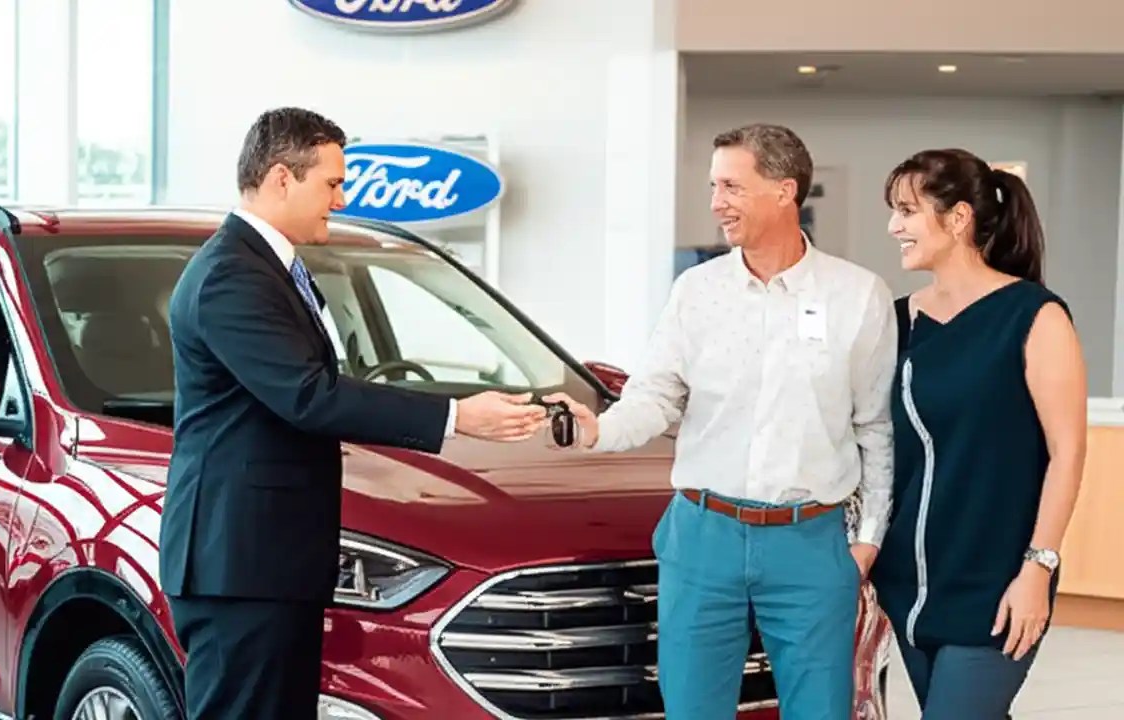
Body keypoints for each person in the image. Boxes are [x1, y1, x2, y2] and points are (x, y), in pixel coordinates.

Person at [160, 107, 548, 720]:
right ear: (283, 178)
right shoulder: (231, 276)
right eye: (332, 184)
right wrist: (455, 418)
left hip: (269, 563)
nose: (340, 200)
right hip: (239, 564)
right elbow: (308, 396)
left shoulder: (268, 268)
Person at [545, 123, 897, 719]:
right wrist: (596, 430)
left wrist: (867, 543)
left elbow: (875, 429)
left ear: (785, 191)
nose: (716, 203)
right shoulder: (696, 292)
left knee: (822, 711)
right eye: (714, 186)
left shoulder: (858, 295)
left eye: (732, 186)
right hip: (702, 537)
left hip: (811, 542)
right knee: (692, 711)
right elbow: (655, 397)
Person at [868, 148, 1087, 719]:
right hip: (907, 588)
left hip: (995, 587)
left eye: (908, 210)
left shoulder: (1034, 316)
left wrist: (1038, 568)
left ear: (958, 217)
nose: (894, 226)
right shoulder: (895, 320)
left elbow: (1067, 453)